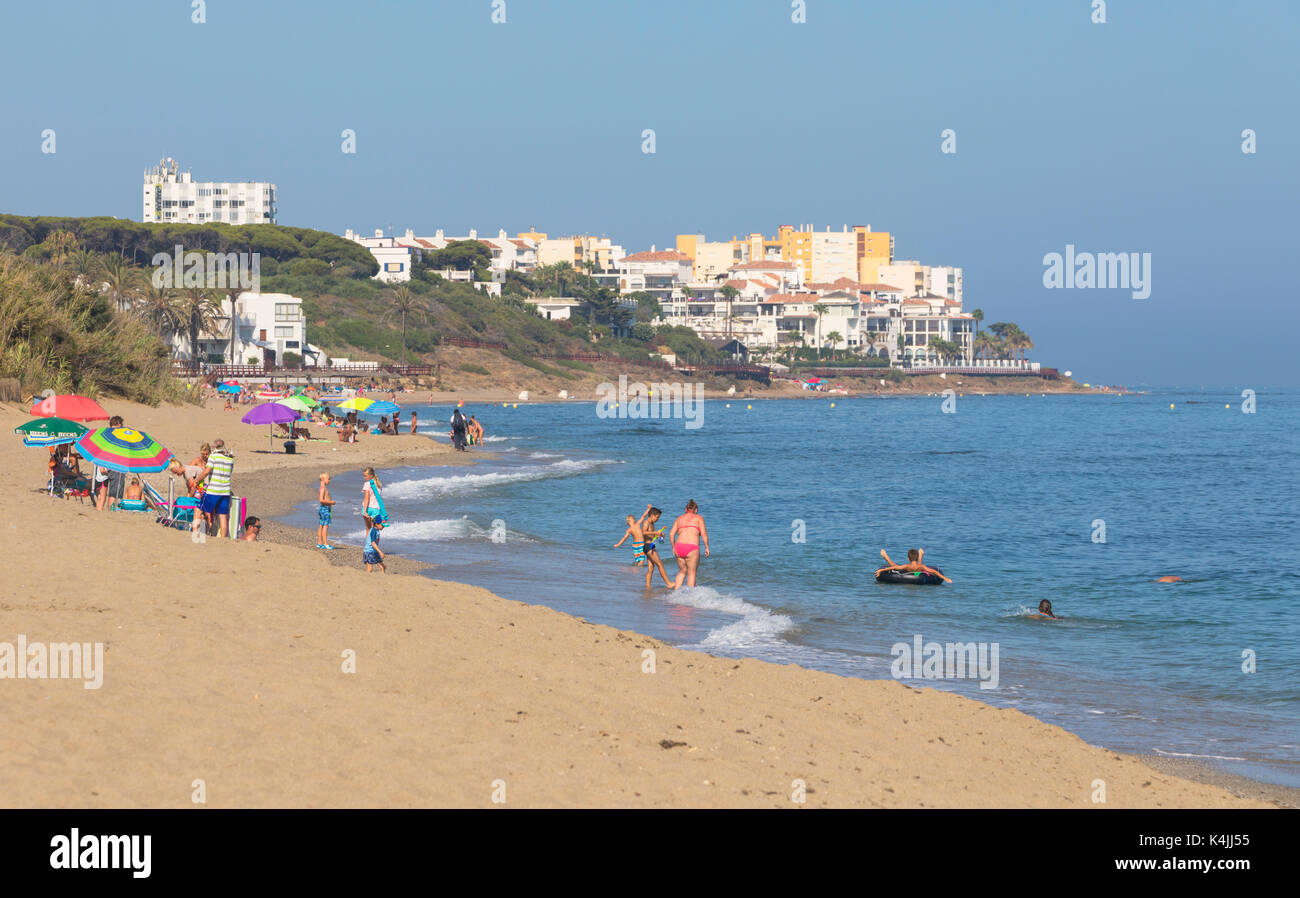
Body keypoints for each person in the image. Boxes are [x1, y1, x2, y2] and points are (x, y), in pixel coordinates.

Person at [615, 504, 674, 589]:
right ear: (652, 515)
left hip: (649, 546)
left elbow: (652, 536)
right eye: (657, 517)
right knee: (660, 564)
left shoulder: (652, 524)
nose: (658, 519)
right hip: (648, 546)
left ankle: (647, 586)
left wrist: (660, 536)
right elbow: (643, 532)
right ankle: (668, 583)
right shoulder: (646, 522)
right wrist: (655, 533)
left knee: (651, 568)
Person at [670, 499, 710, 588]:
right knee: (691, 573)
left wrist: (673, 547)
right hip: (692, 547)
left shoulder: (679, 518)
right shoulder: (699, 518)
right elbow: (703, 533)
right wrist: (707, 547)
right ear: (696, 510)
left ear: (685, 509)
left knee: (682, 571)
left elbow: (671, 534)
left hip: (679, 547)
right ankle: (689, 597)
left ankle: (675, 594)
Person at [199, 439, 235, 538]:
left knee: (200, 510)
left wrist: (197, 481)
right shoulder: (230, 459)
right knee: (222, 516)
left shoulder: (213, 457)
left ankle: (199, 535)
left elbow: (207, 471)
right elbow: (229, 473)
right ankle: (223, 539)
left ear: (214, 447)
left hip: (213, 491)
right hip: (225, 491)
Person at [876, 548, 953, 584]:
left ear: (908, 558)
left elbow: (894, 567)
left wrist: (881, 570)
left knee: (894, 564)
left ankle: (886, 557)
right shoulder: (921, 567)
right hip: (918, 568)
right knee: (920, 563)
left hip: (908, 570)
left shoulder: (906, 566)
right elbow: (934, 571)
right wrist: (945, 578)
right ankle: (920, 555)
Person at [317, 472, 336, 549]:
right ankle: (325, 543)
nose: (329, 481)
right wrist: (331, 502)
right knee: (325, 526)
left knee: (321, 525)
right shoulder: (323, 489)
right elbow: (321, 500)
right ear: (323, 479)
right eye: (328, 479)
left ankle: (319, 542)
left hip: (323, 509)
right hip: (325, 509)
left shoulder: (322, 488)